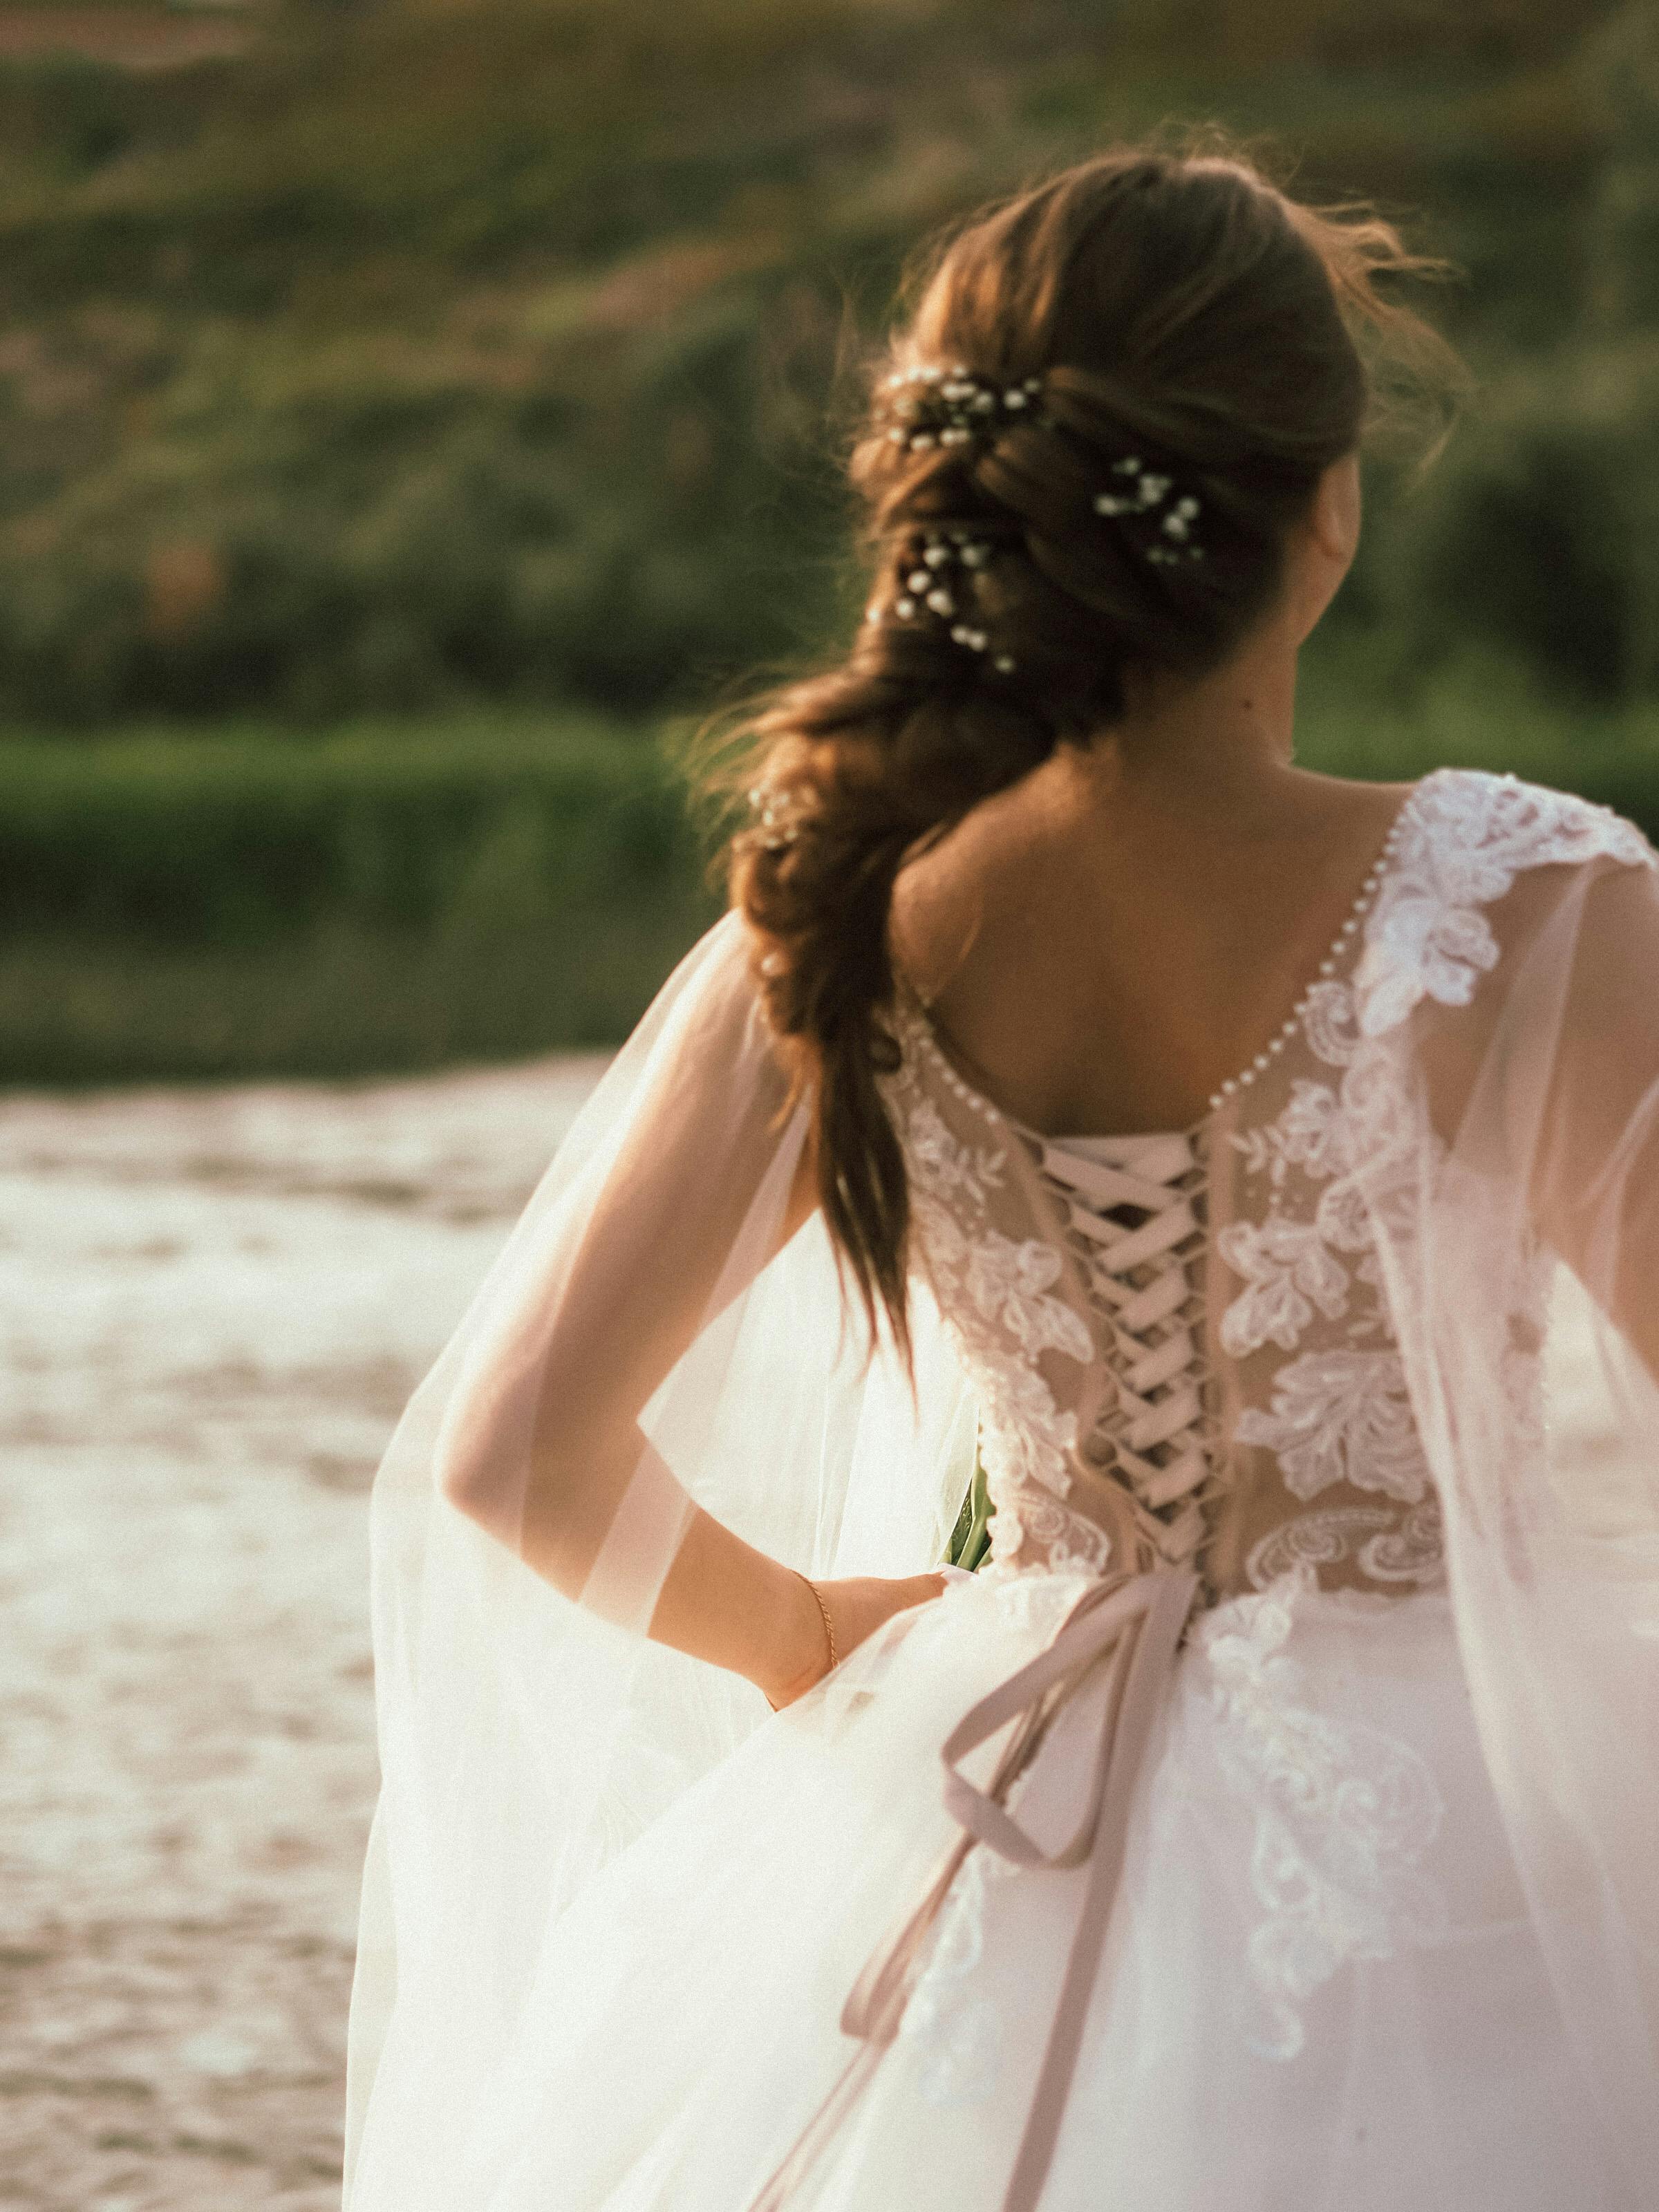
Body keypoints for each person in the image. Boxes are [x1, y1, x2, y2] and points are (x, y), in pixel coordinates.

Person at [341, 144, 1659, 2212]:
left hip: (979, 1799)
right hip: (1447, 1827)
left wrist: (803, 1643)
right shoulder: (1521, 905)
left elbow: (513, 1455)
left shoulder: (848, 919)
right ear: (1326, 510)